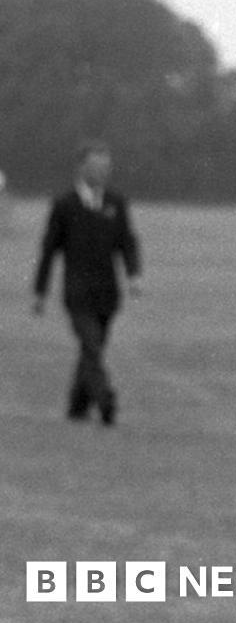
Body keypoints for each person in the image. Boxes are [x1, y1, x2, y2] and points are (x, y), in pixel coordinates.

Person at [32, 140, 141, 426]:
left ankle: (77, 406)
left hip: (107, 293)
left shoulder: (116, 203)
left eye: (106, 167)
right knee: (91, 346)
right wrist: (40, 292)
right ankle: (106, 400)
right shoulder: (64, 205)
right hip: (77, 292)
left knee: (92, 348)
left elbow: (127, 243)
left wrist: (133, 276)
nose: (102, 173)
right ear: (81, 168)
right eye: (96, 167)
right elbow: (49, 250)